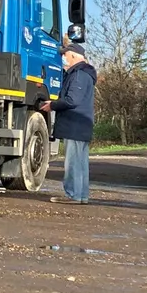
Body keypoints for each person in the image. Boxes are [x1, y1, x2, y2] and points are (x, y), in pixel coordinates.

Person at [40, 43, 97, 205]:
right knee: (81, 162)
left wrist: (53, 105)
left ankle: (73, 194)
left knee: (73, 162)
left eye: (65, 55)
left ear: (73, 55)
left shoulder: (78, 75)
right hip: (80, 125)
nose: (64, 58)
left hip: (75, 125)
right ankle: (81, 195)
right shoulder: (84, 74)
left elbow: (73, 100)